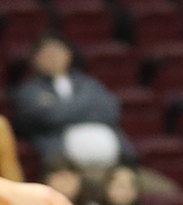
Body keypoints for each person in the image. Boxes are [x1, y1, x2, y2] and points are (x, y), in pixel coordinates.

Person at [13, 37, 128, 166]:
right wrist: (86, 107)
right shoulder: (29, 90)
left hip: (115, 162)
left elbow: (110, 110)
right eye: (48, 54)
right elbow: (48, 118)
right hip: (63, 164)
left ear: (68, 55)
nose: (53, 58)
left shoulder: (88, 83)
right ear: (35, 59)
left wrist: (62, 108)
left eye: (57, 53)